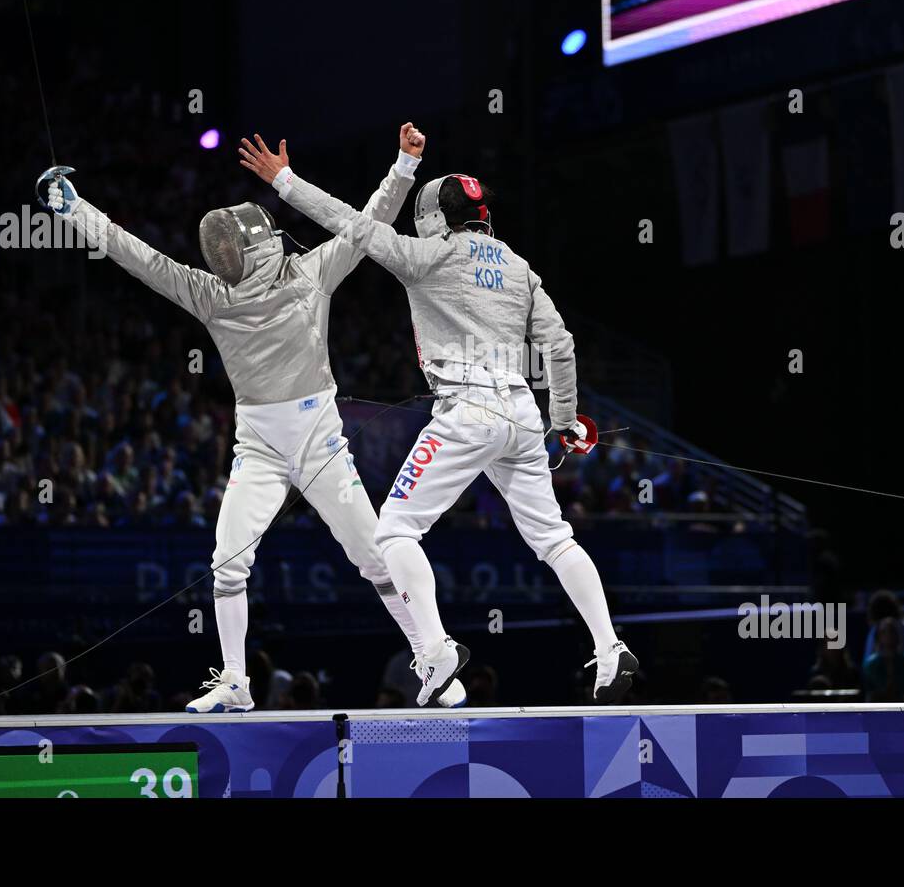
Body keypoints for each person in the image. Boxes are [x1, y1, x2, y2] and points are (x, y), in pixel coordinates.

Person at [41, 123, 464, 712]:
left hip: (320, 445)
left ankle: (432, 660)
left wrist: (403, 166)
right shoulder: (221, 292)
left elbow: (368, 226)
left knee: (373, 557)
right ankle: (236, 681)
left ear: (250, 247)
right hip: (260, 446)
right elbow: (135, 254)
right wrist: (75, 209)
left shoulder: (291, 278)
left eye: (226, 250)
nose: (219, 258)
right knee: (228, 560)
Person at [240, 133, 636, 706]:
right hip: (523, 414)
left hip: (468, 412)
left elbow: (352, 224)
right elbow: (561, 345)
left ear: (432, 219)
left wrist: (283, 180)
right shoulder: (520, 268)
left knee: (395, 530)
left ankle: (435, 654)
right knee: (553, 537)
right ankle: (609, 647)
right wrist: (565, 419)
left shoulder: (425, 255)